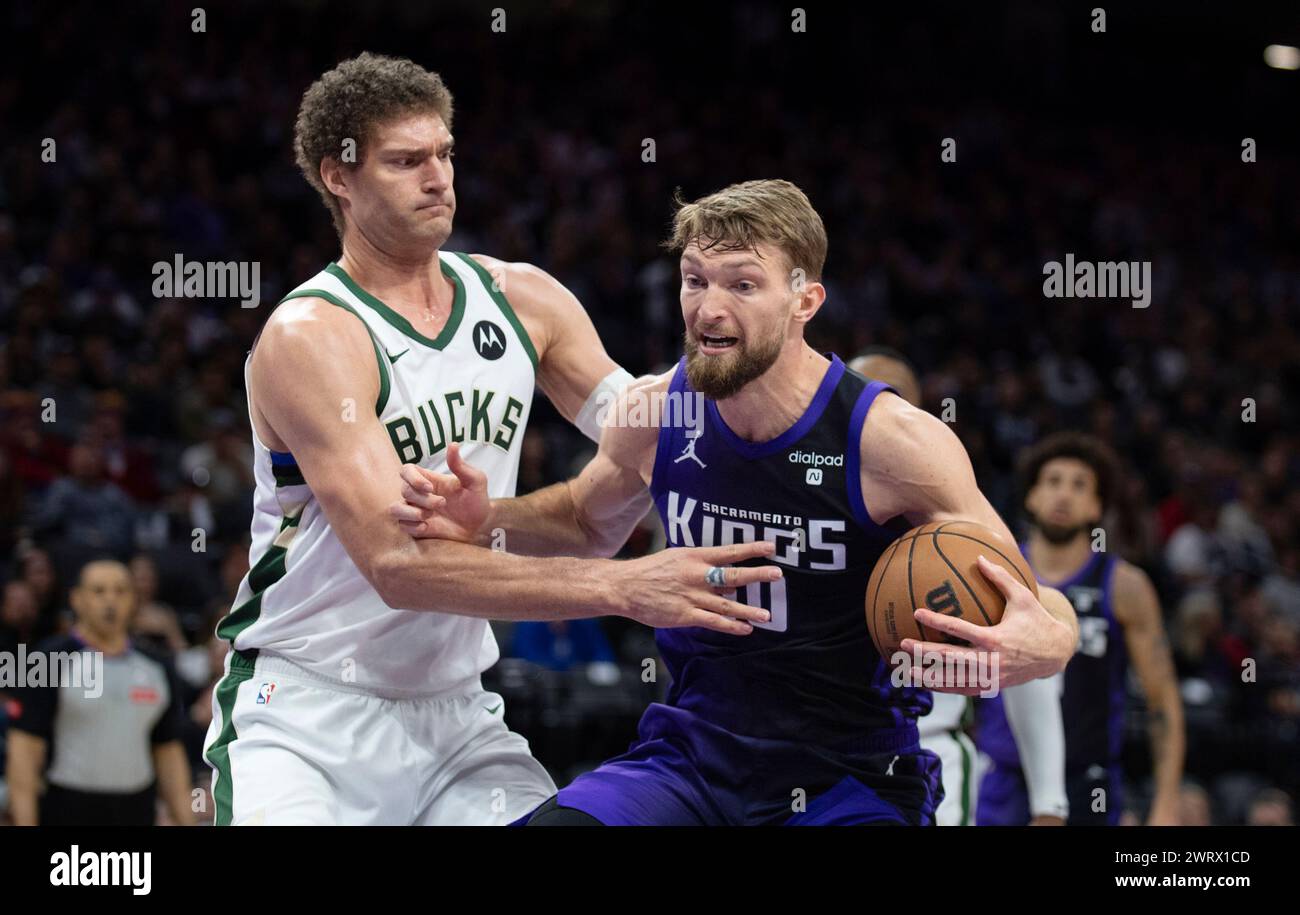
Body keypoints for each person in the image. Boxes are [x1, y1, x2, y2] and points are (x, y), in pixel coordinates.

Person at [202, 53, 774, 826]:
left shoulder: (522, 297)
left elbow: (634, 426)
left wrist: (741, 367)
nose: (437, 178)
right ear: (340, 178)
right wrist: (625, 586)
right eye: (406, 162)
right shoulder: (312, 336)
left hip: (456, 715)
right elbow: (399, 565)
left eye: (443, 154)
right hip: (307, 712)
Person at [396, 178, 1078, 825]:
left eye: (743, 284)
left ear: (804, 300)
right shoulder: (658, 409)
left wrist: (1040, 644)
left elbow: (1040, 604)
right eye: (695, 280)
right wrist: (489, 521)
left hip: (851, 775)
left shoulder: (891, 440)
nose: (708, 307)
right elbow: (583, 518)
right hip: (691, 759)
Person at [850, 349, 1068, 827]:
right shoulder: (807, 500)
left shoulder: (954, 530)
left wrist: (1050, 802)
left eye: (888, 402)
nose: (868, 415)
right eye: (852, 398)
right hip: (810, 760)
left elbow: (1025, 638)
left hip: (928, 754)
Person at [977, 432, 1185, 825]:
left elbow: (1162, 702)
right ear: (1030, 497)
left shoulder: (1125, 585)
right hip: (1002, 777)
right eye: (1053, 481)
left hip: (1088, 781)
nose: (1064, 494)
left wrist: (1167, 804)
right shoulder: (991, 572)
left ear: (1096, 508)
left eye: (1079, 485)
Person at [6, 560, 194, 826]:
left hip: (136, 809)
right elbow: (24, 756)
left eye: (120, 591)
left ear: (133, 600)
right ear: (77, 599)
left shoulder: (158, 666)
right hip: (67, 807)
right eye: (99, 591)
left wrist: (185, 820)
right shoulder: (47, 661)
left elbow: (169, 754)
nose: (110, 601)